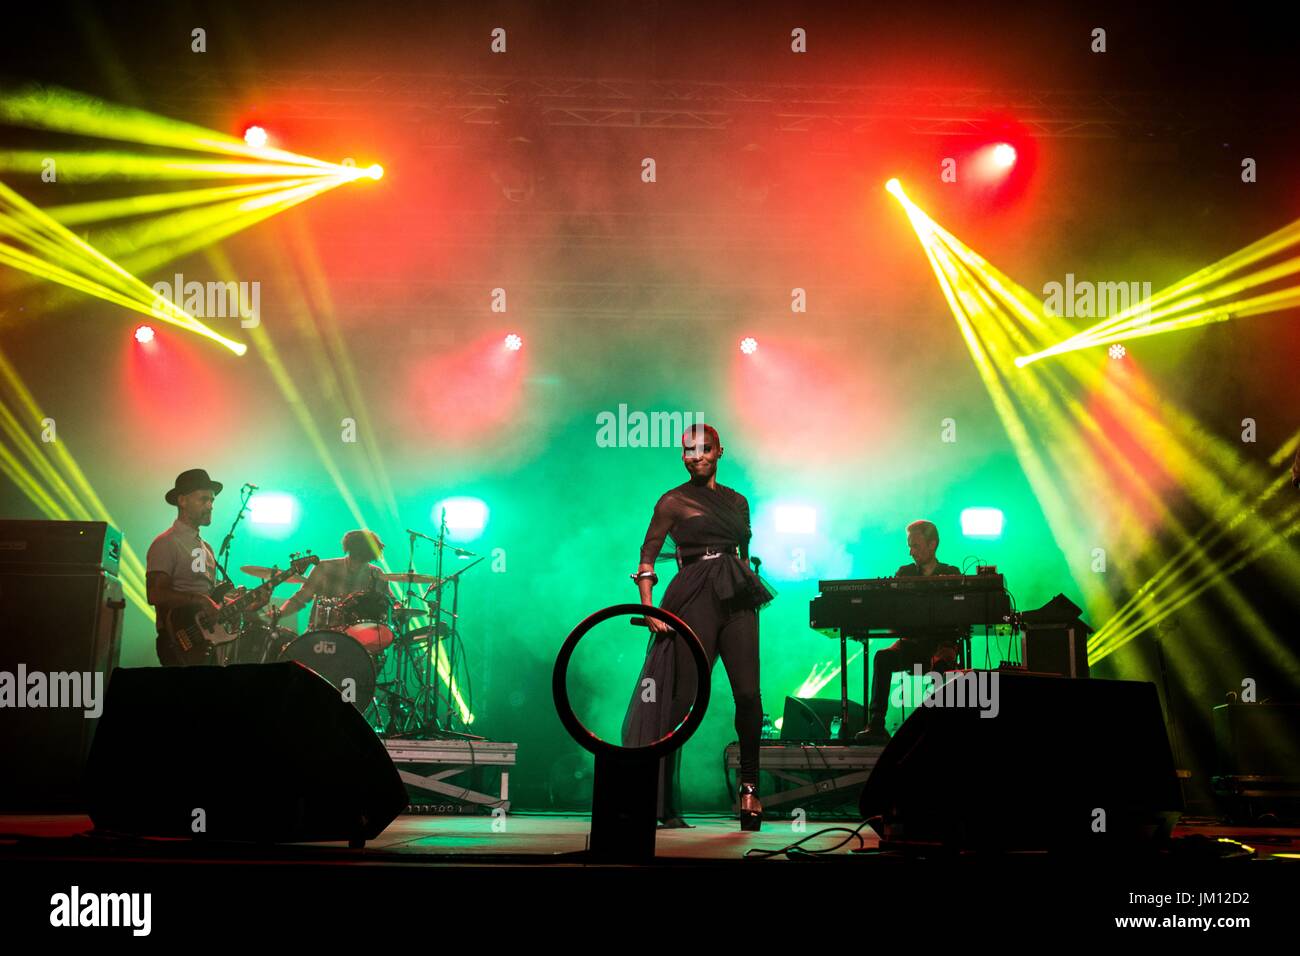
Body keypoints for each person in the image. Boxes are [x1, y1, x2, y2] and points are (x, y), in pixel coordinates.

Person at [622, 423, 774, 830]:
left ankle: (749, 790)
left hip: (737, 594)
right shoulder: (672, 501)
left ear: (719, 452)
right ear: (682, 455)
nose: (697, 456)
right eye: (689, 450)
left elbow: (743, 553)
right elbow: (647, 556)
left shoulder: (738, 501)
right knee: (682, 701)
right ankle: (661, 798)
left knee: (749, 694)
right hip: (693, 595)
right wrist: (649, 608)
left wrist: (747, 583)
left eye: (705, 448)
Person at [856, 519, 963, 743]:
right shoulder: (904, 573)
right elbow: (892, 612)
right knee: (883, 658)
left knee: (942, 665)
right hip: (911, 645)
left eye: (915, 546)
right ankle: (876, 725)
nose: (911, 552)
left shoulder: (950, 572)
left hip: (942, 645)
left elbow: (960, 615)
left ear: (932, 544)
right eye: (909, 546)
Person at [147, 468, 265, 665]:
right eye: (203, 499)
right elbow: (154, 594)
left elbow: (213, 601)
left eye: (212, 500)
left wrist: (250, 604)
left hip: (208, 641)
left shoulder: (206, 548)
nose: (210, 506)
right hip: (179, 640)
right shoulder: (166, 542)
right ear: (182, 501)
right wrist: (200, 600)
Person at [278, 529, 389, 628]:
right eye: (358, 555)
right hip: (322, 633)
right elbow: (301, 598)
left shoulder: (376, 574)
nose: (359, 562)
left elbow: (390, 603)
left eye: (364, 557)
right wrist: (278, 614)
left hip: (359, 635)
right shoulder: (325, 567)